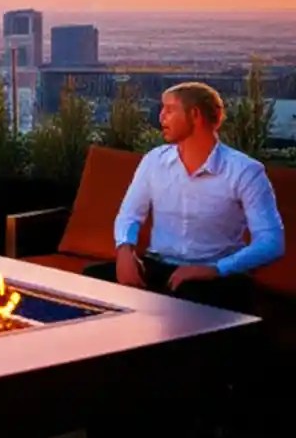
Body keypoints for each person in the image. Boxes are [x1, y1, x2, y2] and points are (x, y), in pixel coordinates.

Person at [83, 82, 283, 313]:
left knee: (188, 298)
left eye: (169, 110)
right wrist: (124, 250)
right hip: (160, 266)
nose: (161, 117)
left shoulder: (244, 171)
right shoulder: (154, 161)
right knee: (92, 279)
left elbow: (271, 243)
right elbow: (129, 214)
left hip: (217, 275)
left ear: (195, 115)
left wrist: (216, 268)